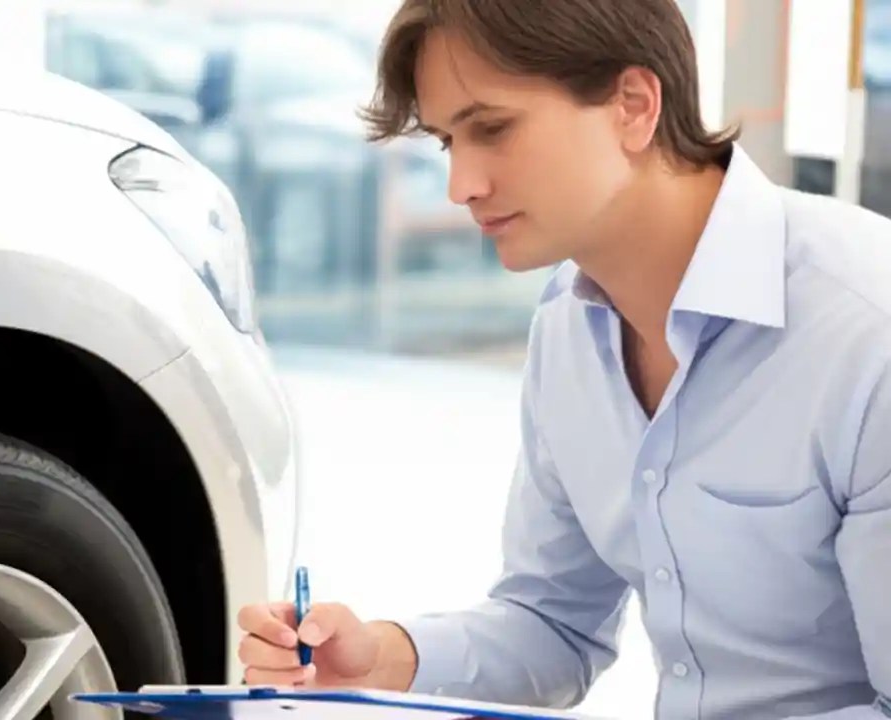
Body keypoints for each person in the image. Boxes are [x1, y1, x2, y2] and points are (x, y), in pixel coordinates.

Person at [236, 1, 891, 719]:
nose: (461, 187)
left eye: (492, 129)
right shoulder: (568, 326)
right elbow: (554, 626)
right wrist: (381, 659)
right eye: (449, 142)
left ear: (633, 107)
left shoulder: (864, 330)